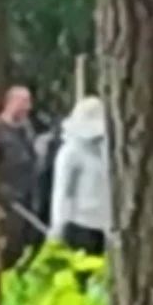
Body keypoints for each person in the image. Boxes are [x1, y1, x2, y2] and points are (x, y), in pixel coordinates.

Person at [48, 93, 111, 255]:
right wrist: (58, 225)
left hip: (104, 226)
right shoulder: (70, 153)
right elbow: (62, 192)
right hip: (79, 225)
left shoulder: (105, 151)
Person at [0, 84, 47, 266]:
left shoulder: (26, 132)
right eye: (23, 102)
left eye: (29, 102)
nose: (28, 107)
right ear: (10, 102)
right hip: (7, 202)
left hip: (27, 199)